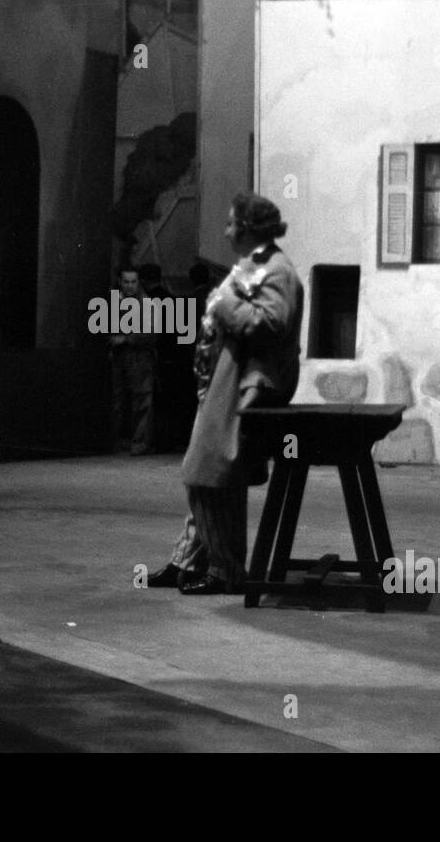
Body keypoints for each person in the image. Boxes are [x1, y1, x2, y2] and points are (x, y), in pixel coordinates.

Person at [148, 193, 304, 595]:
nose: (226, 230)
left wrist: (224, 304)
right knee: (211, 474)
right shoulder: (254, 265)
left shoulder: (278, 271)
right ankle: (192, 561)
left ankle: (226, 570)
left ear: (251, 229)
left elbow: (271, 324)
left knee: (209, 473)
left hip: (250, 387)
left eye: (233, 223)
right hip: (228, 381)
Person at [111, 266, 158, 455]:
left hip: (139, 357)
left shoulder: (147, 304)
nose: (130, 286)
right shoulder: (116, 301)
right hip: (123, 356)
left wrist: (125, 338)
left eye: (133, 282)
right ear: (121, 282)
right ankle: (125, 441)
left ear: (138, 282)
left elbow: (152, 333)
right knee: (121, 401)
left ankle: (138, 443)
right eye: (126, 282)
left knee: (140, 401)